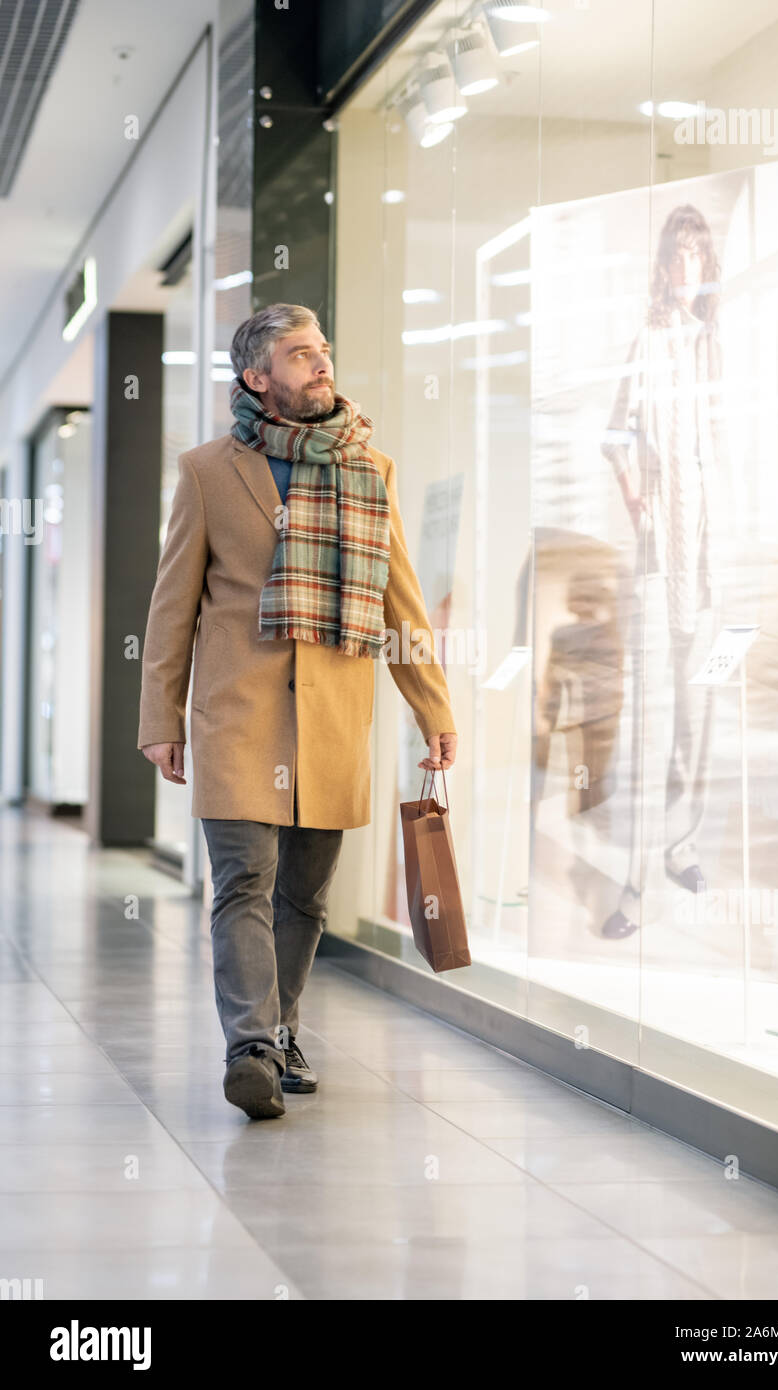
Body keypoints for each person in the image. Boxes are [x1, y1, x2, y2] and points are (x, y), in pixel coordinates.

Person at [137, 304, 458, 1118]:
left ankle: (281, 1028)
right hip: (238, 713)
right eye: (299, 354)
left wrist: (434, 710)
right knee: (243, 880)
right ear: (257, 377)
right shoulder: (209, 471)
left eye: (323, 351)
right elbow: (172, 606)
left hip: (332, 720)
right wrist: (162, 719)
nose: (321, 365)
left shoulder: (368, 470)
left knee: (305, 898)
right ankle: (249, 1046)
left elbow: (402, 606)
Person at [600, 204, 727, 939]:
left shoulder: (718, 347)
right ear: (663, 263)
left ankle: (683, 844)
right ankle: (635, 883)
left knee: (697, 718)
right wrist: (635, 498)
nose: (687, 270)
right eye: (677, 256)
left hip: (709, 563)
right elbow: (613, 434)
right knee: (651, 724)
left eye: (697, 258)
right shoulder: (646, 341)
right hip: (658, 561)